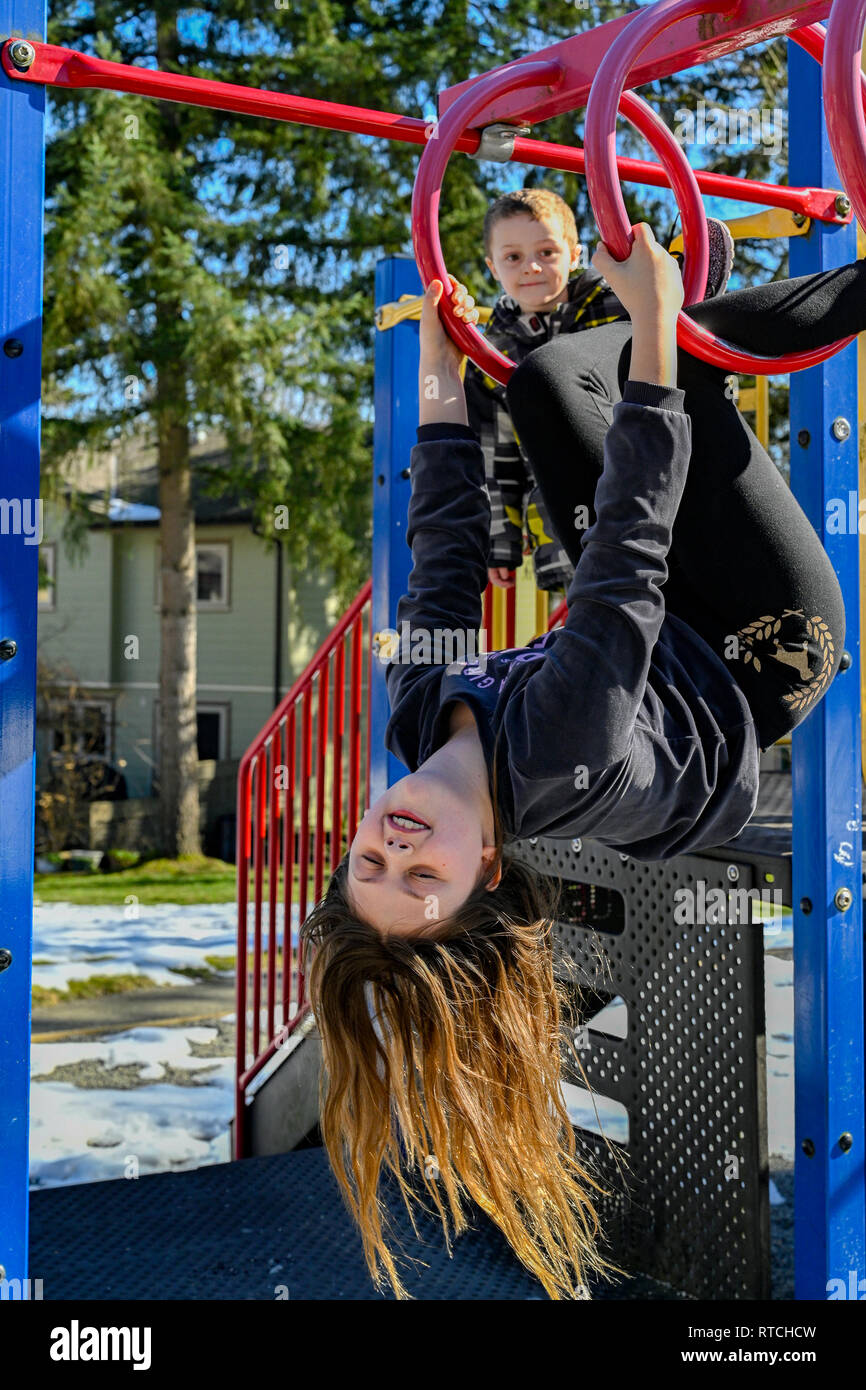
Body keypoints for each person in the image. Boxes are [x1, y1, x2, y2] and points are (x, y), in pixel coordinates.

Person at [300, 227, 858, 1301]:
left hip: (665, 634)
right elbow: (624, 562)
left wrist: (439, 365)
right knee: (643, 366)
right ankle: (720, 301)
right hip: (763, 637)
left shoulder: (420, 717)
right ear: (489, 871)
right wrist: (650, 322)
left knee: (548, 382)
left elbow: (446, 554)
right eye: (424, 881)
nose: (397, 848)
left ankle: (681, 309)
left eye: (371, 865)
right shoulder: (557, 751)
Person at [465, 187, 734, 594]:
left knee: (668, 590)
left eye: (547, 252)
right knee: (602, 617)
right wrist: (499, 544)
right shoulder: (492, 352)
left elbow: (653, 328)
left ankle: (688, 286)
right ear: (492, 267)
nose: (531, 267)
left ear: (575, 256)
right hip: (561, 517)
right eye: (513, 257)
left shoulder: (610, 304)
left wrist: (675, 283)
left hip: (637, 477)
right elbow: (496, 455)